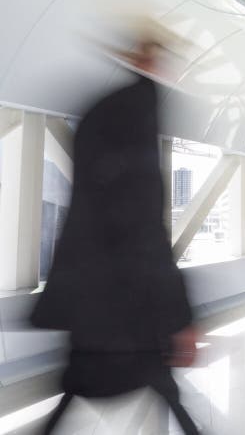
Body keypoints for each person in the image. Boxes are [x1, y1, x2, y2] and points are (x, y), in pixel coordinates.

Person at [30, 27, 199, 434]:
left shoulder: (102, 110)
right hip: (131, 307)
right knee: (161, 387)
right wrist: (180, 316)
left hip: (92, 301)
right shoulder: (138, 112)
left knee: (81, 388)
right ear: (149, 59)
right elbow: (143, 228)